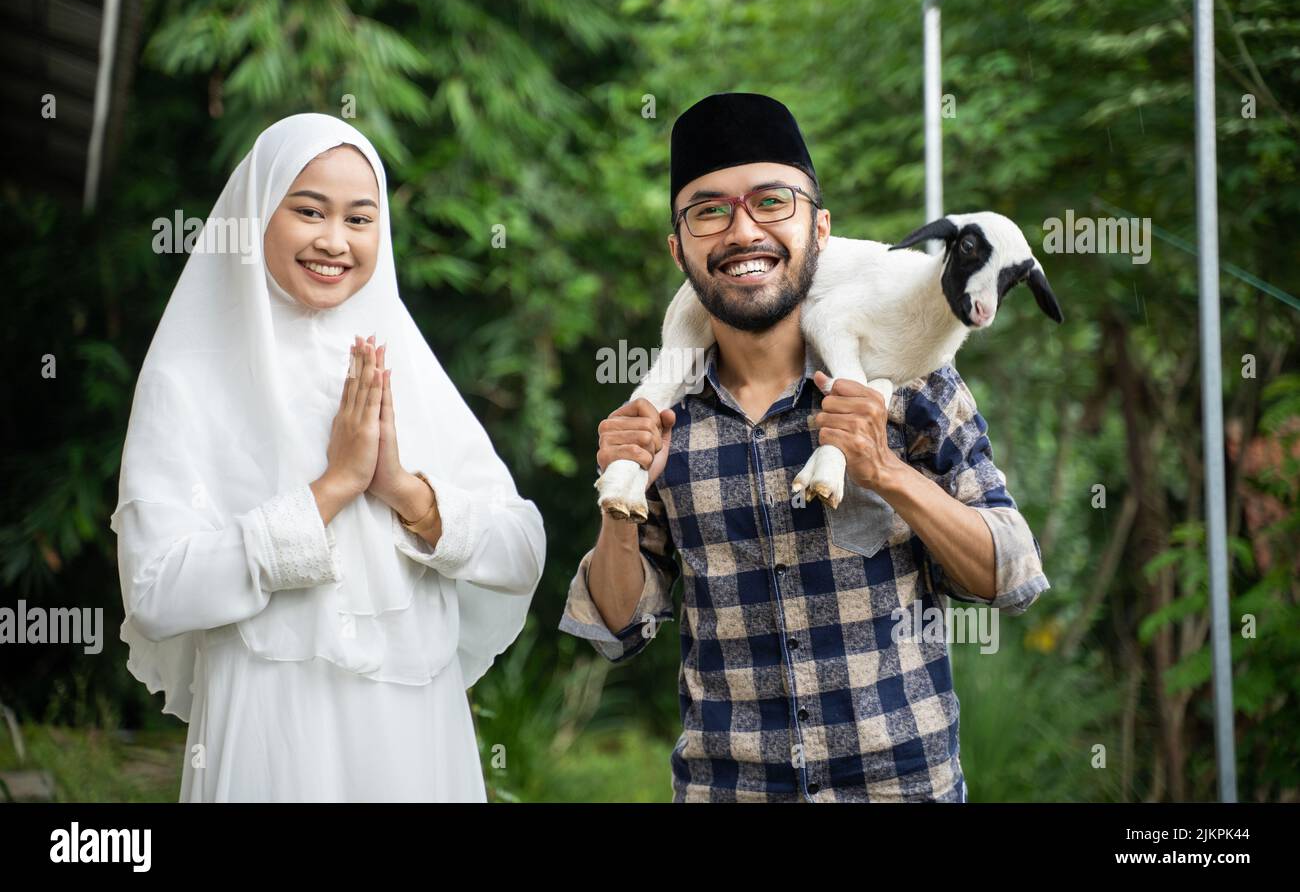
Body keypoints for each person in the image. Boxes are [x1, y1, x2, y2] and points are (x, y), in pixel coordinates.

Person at [558, 92, 1050, 802]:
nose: (741, 231)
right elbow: (615, 626)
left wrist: (885, 470)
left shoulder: (919, 383)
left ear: (820, 228)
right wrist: (617, 502)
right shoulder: (660, 416)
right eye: (709, 210)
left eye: (772, 202)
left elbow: (1010, 576)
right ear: (679, 248)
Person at [111, 113, 545, 801]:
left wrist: (404, 491)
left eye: (360, 218)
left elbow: (522, 550)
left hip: (414, 732)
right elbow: (157, 591)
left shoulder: (403, 364)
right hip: (268, 726)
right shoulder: (191, 378)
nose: (334, 241)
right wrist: (331, 489)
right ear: (257, 216)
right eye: (309, 211)